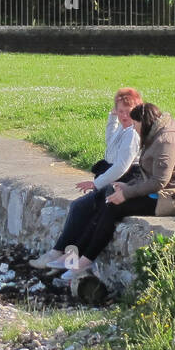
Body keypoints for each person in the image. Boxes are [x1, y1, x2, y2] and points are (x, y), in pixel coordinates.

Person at [58, 102, 175, 282]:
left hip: (172, 198)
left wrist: (126, 194)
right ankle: (79, 255)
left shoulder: (167, 141)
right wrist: (126, 186)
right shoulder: (156, 136)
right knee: (109, 198)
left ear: (145, 121)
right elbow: (148, 177)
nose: (133, 128)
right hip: (161, 193)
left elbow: (159, 181)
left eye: (135, 124)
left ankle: (85, 261)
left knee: (114, 206)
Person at [29, 88, 142, 270]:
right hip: (116, 176)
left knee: (83, 208)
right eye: (120, 111)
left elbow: (122, 166)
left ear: (137, 110)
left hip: (126, 179)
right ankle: (64, 254)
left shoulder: (132, 133)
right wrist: (112, 118)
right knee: (82, 208)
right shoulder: (124, 128)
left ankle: (63, 254)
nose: (124, 115)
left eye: (128, 112)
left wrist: (96, 183)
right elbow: (110, 146)